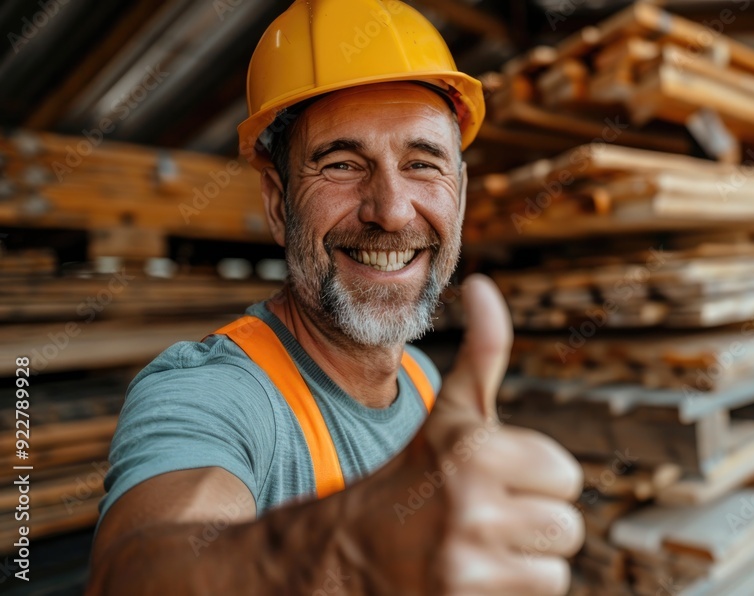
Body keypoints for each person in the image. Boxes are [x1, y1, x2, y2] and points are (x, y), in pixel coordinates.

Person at [86, 0, 584, 594]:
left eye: (423, 164)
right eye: (343, 164)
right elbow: (134, 574)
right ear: (278, 202)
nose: (391, 211)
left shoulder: (425, 381)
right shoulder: (215, 395)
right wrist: (350, 548)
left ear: (461, 191)